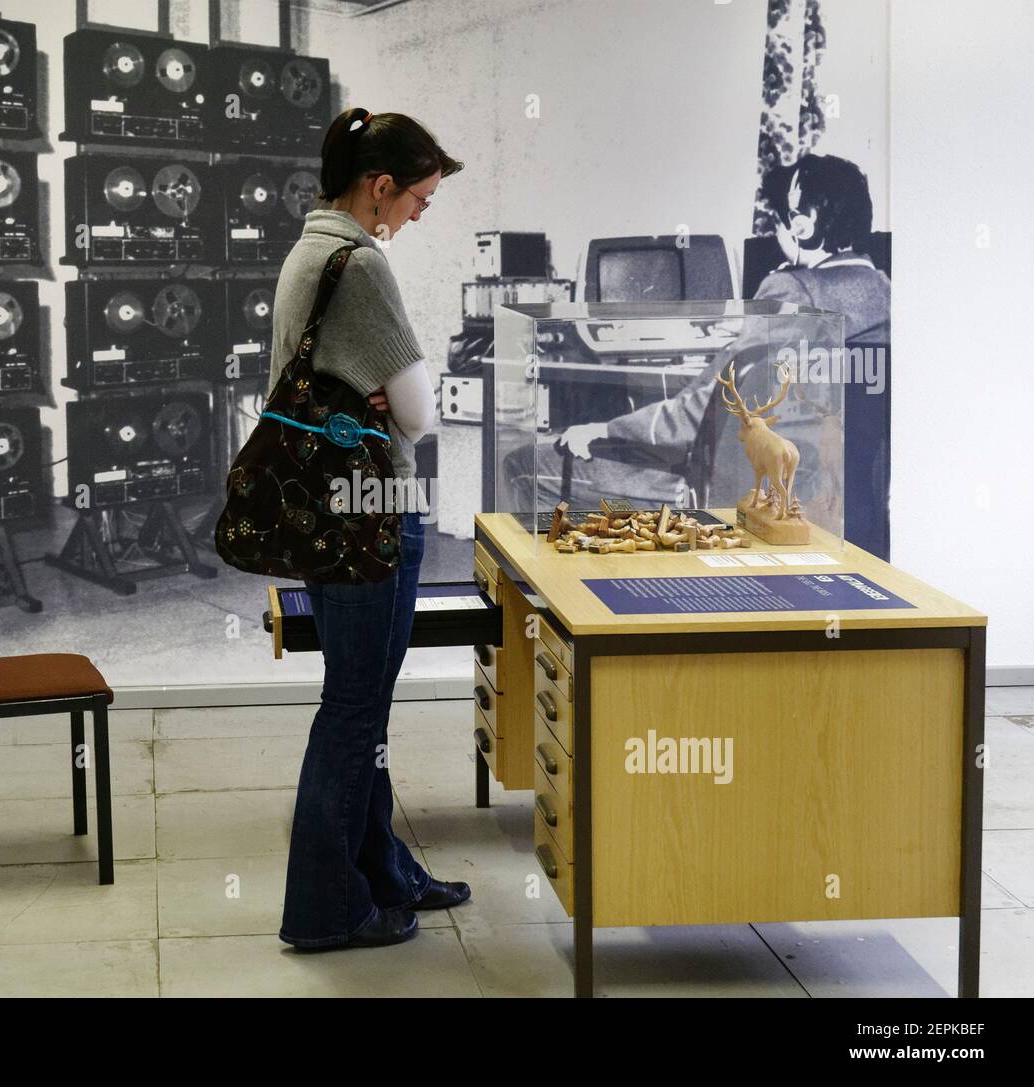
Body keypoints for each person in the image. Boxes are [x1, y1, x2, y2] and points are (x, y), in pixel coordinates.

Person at [273, 107, 465, 950]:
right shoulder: (361, 264)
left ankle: (381, 868)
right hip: (370, 511)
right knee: (354, 708)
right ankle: (324, 907)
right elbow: (419, 414)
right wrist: (395, 398)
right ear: (379, 187)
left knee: (365, 707)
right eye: (419, 199)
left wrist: (377, 394)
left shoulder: (307, 250)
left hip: (330, 509)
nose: (420, 214)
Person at [507, 154, 890, 512]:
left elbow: (693, 415)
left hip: (725, 490)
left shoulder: (789, 291)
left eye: (786, 217)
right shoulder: (889, 294)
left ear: (803, 225)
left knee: (523, 462)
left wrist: (603, 429)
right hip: (829, 498)